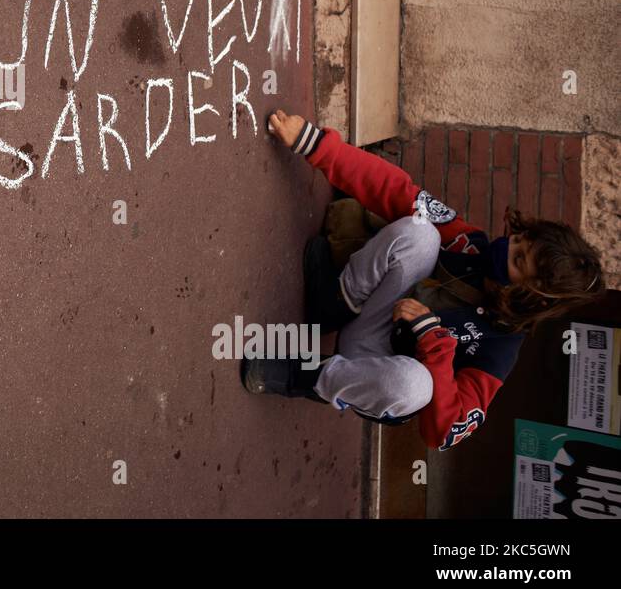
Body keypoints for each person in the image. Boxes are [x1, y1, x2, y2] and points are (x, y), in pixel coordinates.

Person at [243, 109, 606, 450]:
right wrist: (315, 144)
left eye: (517, 259)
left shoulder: (501, 349)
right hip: (364, 315)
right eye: (519, 240)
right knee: (422, 232)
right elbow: (396, 191)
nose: (506, 246)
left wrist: (435, 344)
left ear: (533, 294)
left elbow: (444, 433)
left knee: (416, 386)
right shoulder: (470, 245)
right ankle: (329, 304)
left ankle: (299, 378)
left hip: (374, 367)